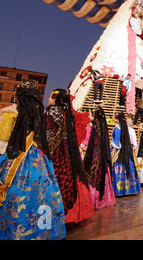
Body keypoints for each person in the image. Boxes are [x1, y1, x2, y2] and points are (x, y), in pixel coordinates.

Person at [0, 80, 66, 240]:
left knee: (2, 198)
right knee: (41, 197)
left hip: (12, 159)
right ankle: (41, 231)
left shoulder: (10, 113)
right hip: (37, 162)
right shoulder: (37, 115)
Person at [45, 89, 94, 224]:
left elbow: (47, 134)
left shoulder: (51, 112)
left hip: (54, 154)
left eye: (50, 96)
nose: (48, 99)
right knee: (67, 179)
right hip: (67, 153)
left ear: (55, 99)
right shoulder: (68, 114)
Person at [82, 106, 115, 209]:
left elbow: (89, 141)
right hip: (102, 157)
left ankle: (93, 199)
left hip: (94, 156)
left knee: (92, 176)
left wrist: (82, 146)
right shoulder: (102, 126)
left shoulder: (92, 127)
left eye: (90, 114)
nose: (88, 116)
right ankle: (105, 199)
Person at [111, 113, 141, 196]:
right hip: (126, 151)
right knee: (128, 167)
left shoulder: (117, 128)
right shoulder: (125, 128)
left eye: (114, 117)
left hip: (118, 151)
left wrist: (113, 151)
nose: (113, 118)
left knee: (116, 168)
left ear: (117, 119)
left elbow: (116, 141)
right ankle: (130, 189)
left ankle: (119, 190)